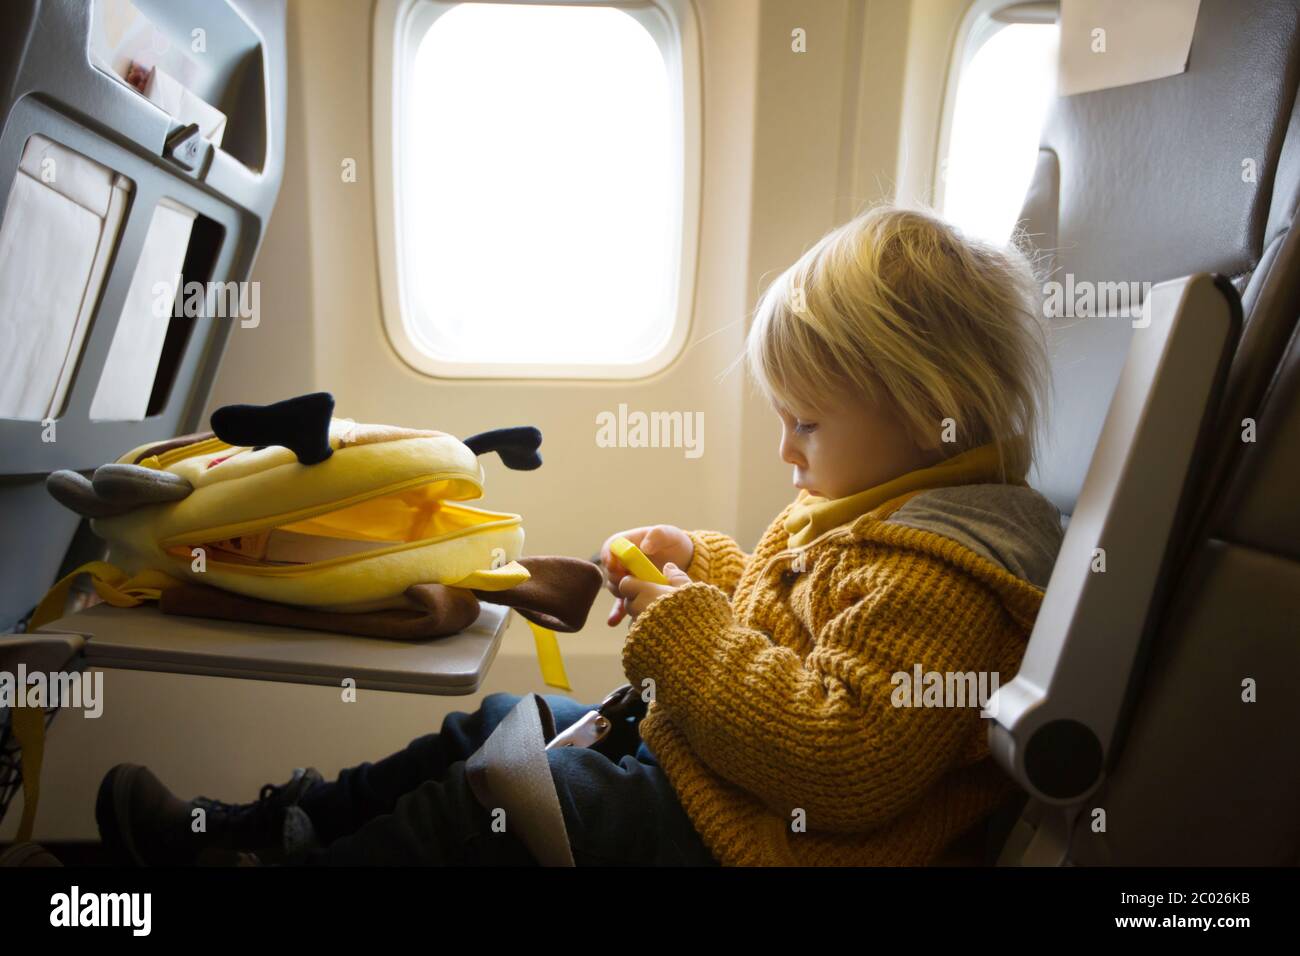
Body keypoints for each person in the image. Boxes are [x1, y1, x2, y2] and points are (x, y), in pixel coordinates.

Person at [95, 204, 1064, 866]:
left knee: (492, 805)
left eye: (804, 423)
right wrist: (699, 560)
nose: (784, 447)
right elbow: (787, 625)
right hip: (710, 775)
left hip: (752, 839)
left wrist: (685, 628)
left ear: (928, 406)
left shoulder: (946, 582)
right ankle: (268, 825)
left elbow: (838, 757)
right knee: (486, 728)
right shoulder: (873, 498)